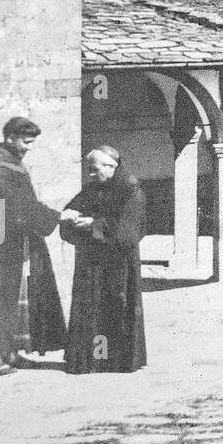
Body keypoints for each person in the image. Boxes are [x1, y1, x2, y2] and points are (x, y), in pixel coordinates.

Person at [0, 117, 68, 377]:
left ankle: (9, 351)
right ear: (10, 138)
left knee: (17, 300)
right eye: (26, 142)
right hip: (6, 241)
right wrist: (56, 216)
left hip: (19, 239)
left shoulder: (10, 166)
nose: (28, 147)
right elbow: (19, 209)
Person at [59, 147, 147, 374]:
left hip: (118, 264)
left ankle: (114, 361)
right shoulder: (92, 189)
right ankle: (93, 359)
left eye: (93, 169)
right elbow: (73, 208)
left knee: (115, 309)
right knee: (91, 310)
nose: (89, 174)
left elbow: (128, 232)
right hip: (91, 264)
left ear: (110, 167)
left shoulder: (130, 190)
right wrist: (69, 214)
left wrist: (92, 224)